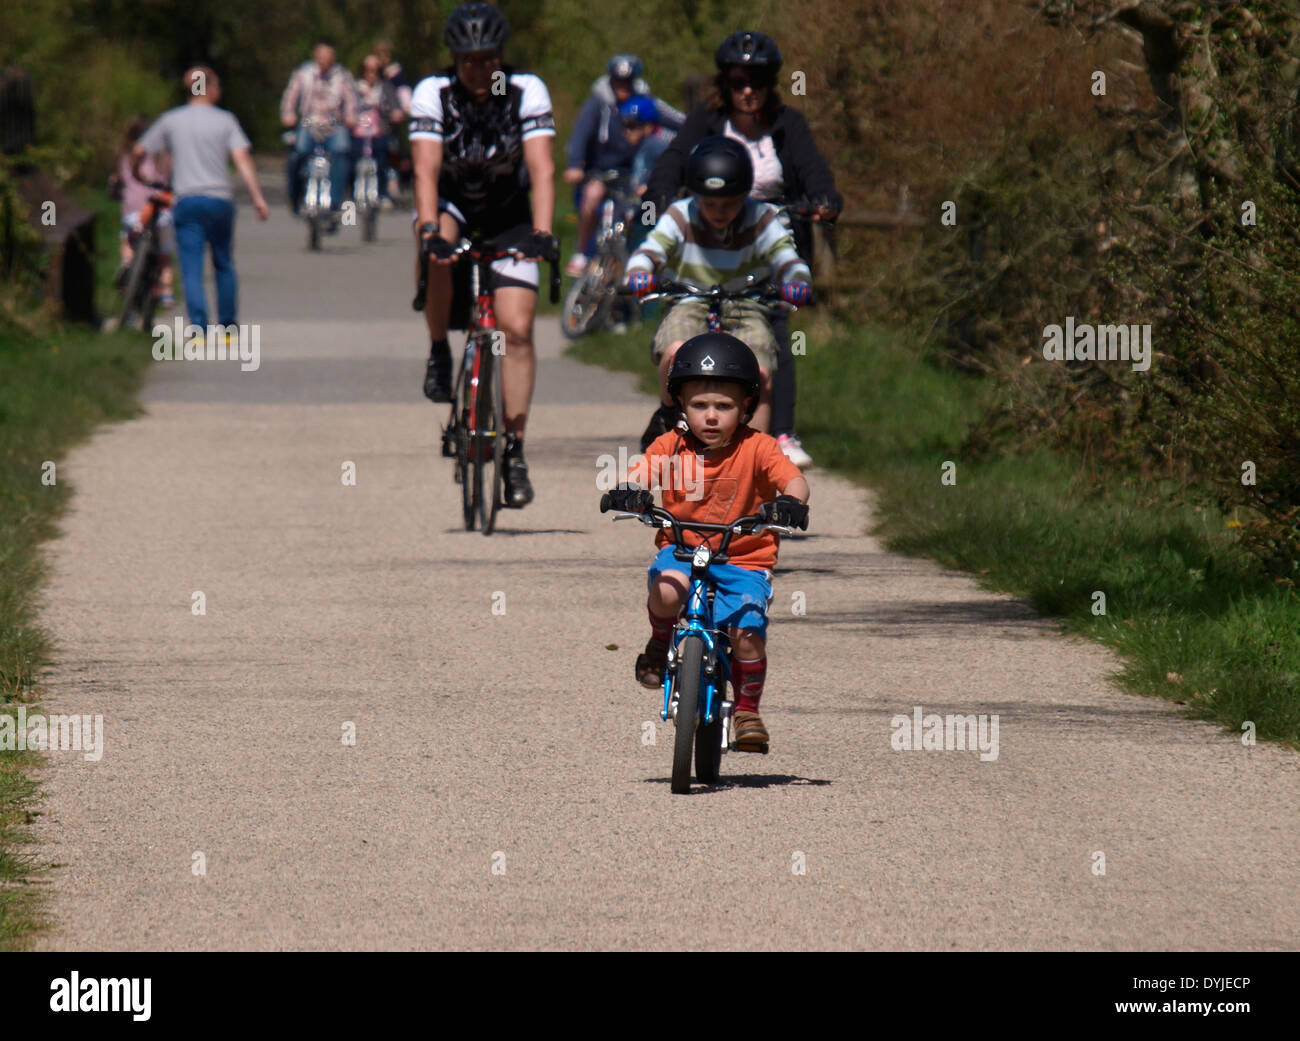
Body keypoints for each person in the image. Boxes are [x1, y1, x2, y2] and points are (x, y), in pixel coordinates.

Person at [645, 30, 843, 469]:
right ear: (725, 84)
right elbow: (674, 159)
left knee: (772, 339)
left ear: (771, 84)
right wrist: (658, 195)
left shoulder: (788, 124)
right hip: (710, 246)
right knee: (686, 324)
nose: (748, 91)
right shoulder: (706, 121)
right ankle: (680, 420)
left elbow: (813, 169)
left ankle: (776, 440)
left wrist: (824, 198)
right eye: (738, 82)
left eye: (757, 81)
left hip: (771, 244)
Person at [605, 332, 810, 751]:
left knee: (747, 633)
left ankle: (748, 710)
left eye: (724, 406)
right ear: (681, 404)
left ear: (746, 407)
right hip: (681, 550)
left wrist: (791, 502)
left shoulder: (759, 447)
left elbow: (794, 480)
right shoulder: (670, 445)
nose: (711, 417)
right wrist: (631, 490)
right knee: (666, 590)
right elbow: (643, 472)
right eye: (700, 406)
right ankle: (660, 645)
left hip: (744, 559)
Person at [409, 1, 559, 508]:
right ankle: (438, 348)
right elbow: (426, 170)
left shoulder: (525, 90)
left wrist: (540, 232)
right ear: (454, 58)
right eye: (469, 60)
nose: (479, 69)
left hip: (510, 213)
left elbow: (541, 168)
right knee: (437, 249)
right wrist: (430, 230)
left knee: (517, 330)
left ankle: (514, 451)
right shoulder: (433, 92)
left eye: (488, 58)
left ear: (501, 56)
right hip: (453, 203)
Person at [625, 135, 812, 440]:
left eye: (729, 204)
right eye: (709, 203)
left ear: (744, 196)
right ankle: (670, 413)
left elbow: (787, 258)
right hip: (689, 300)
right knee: (674, 353)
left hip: (746, 304)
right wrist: (640, 273)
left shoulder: (761, 218)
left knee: (760, 373)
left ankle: (755, 459)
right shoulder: (680, 215)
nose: (719, 212)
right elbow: (649, 251)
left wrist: (797, 280)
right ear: (695, 195)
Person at [134, 67, 269, 334]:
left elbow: (140, 150)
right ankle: (228, 325)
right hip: (219, 201)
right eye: (217, 85)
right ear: (208, 89)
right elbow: (241, 158)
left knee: (191, 265)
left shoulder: (171, 120)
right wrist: (257, 197)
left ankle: (199, 325)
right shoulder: (226, 120)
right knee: (223, 262)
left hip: (187, 201)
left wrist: (138, 172)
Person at [563, 54, 684, 277]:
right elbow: (581, 134)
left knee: (635, 215)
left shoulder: (646, 107)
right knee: (592, 196)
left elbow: (680, 123)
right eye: (618, 81)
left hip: (633, 175)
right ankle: (582, 253)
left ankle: (634, 263)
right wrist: (574, 164)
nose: (622, 87)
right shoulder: (598, 103)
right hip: (601, 171)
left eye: (627, 82)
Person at [280, 41, 357, 222]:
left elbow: (351, 99)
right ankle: (296, 197)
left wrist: (351, 116)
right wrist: (288, 115)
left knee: (341, 154)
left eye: (329, 56)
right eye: (321, 55)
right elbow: (290, 96)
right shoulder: (303, 74)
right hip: (309, 122)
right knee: (297, 154)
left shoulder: (342, 76)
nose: (325, 60)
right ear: (315, 56)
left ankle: (336, 203)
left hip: (334, 124)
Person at [113, 116, 174, 307]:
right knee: (164, 256)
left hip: (133, 213)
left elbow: (116, 182)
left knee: (127, 239)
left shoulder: (126, 157)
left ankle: (128, 264)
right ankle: (166, 292)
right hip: (160, 211)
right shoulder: (164, 157)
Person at [352, 54, 403, 208]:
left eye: (374, 70)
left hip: (380, 131)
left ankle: (383, 191)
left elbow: (395, 107)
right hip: (359, 131)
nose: (371, 74)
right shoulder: (355, 87)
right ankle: (351, 191)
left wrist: (395, 113)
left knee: (382, 153)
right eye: (367, 70)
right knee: (349, 153)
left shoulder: (386, 87)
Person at [373, 38, 413, 200]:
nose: (382, 58)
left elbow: (403, 92)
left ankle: (393, 182)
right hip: (371, 121)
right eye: (379, 54)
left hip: (390, 120)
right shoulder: (370, 71)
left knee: (393, 150)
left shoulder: (395, 74)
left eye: (385, 54)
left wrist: (405, 107)